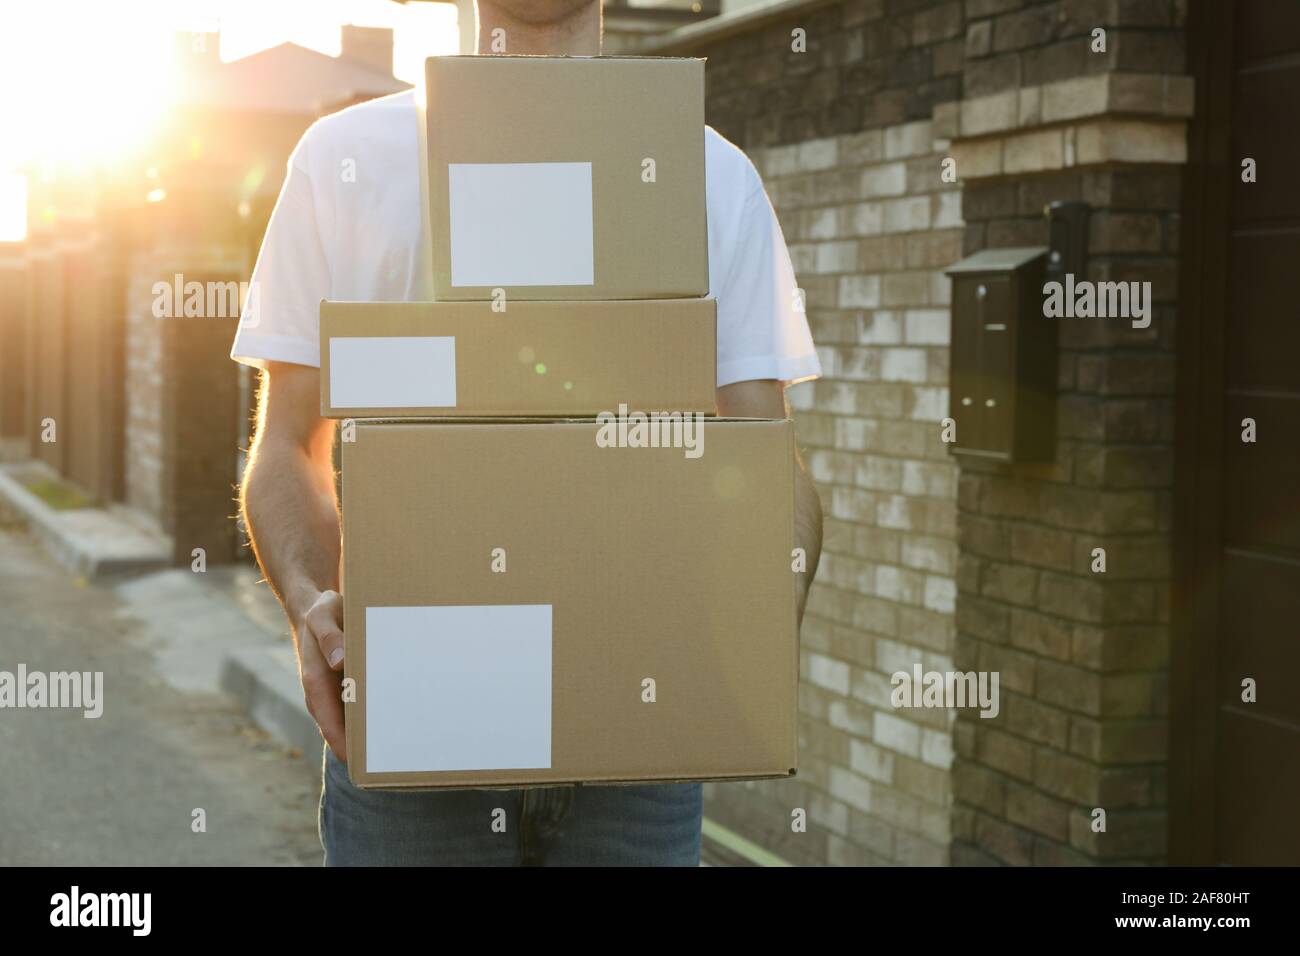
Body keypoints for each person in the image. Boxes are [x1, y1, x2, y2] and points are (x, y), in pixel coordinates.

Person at [232, 0, 823, 866]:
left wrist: (751, 636)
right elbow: (286, 447)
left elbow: (765, 457)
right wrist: (309, 601)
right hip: (414, 718)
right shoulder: (345, 162)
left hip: (639, 739)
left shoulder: (709, 175)